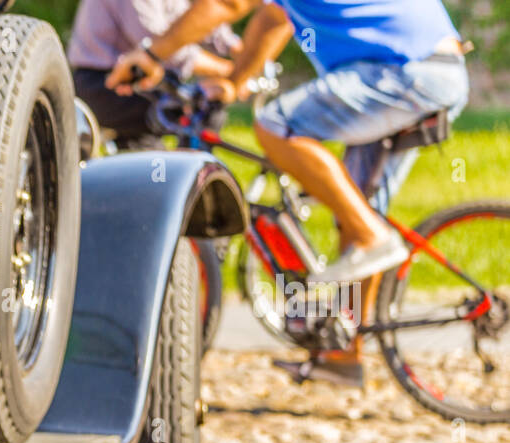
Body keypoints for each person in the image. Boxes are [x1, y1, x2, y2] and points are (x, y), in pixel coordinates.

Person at [107, 0, 469, 286]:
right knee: (359, 208)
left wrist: (153, 55)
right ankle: (343, 352)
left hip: (405, 70)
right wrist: (235, 80)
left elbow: (228, 4)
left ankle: (369, 234)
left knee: (276, 124)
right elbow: (273, 18)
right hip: (438, 67)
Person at [69, 0, 241, 148]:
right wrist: (230, 71)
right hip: (103, 83)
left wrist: (243, 54)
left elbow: (200, 22)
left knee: (154, 158)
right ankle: (193, 176)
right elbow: (160, 46)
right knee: (199, 107)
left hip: (139, 81)